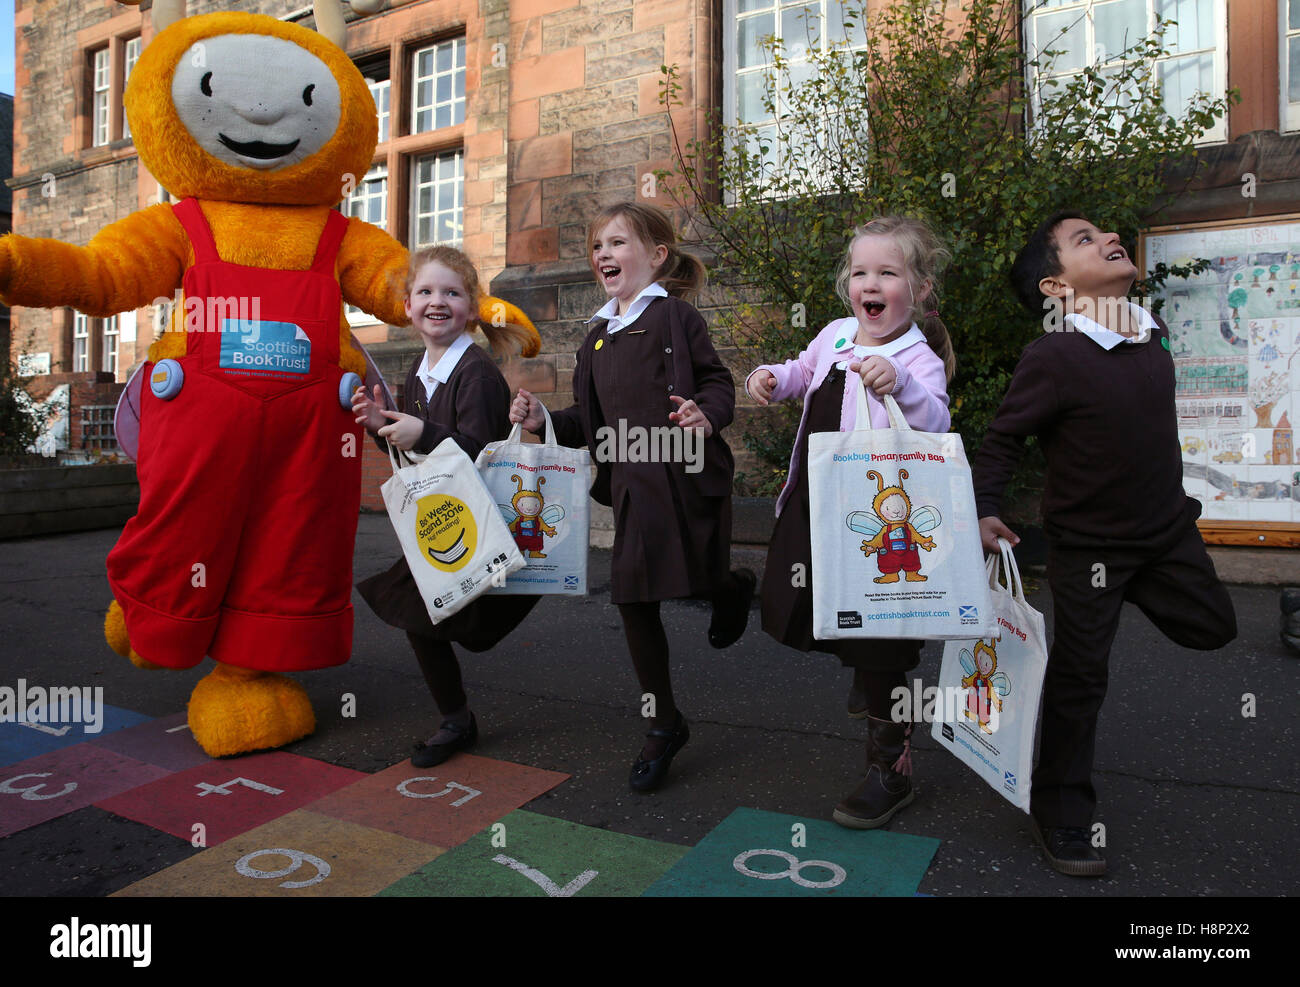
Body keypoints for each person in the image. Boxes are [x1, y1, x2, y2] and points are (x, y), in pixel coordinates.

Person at [974, 211, 1238, 876]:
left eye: (1104, 232)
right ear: (1056, 289)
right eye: (1082, 241)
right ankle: (1059, 808)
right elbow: (1004, 436)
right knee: (1081, 676)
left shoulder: (1154, 335)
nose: (1107, 238)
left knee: (1215, 627)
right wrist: (984, 509)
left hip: (1165, 532)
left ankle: (1143, 583)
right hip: (1089, 547)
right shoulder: (1055, 355)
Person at [510, 202, 755, 792]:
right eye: (598, 247)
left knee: (697, 576)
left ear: (657, 256)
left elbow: (718, 382)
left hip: (686, 474)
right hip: (630, 486)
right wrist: (543, 415)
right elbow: (590, 421)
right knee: (633, 597)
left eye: (617, 244)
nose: (603, 256)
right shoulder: (595, 335)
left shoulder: (676, 319)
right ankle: (664, 722)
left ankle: (732, 587)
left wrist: (706, 412)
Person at [746, 215, 954, 828]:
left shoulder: (915, 355)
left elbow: (936, 422)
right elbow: (803, 373)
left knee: (882, 643)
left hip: (880, 518)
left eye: (888, 272)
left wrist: (903, 386)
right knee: (799, 600)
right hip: (819, 504)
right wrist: (773, 379)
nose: (872, 282)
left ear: (918, 289)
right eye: (861, 271)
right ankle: (864, 675)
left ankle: (890, 769)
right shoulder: (838, 334)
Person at [352, 245, 540, 768]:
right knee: (419, 617)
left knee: (433, 619)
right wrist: (380, 429)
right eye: (426, 292)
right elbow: (414, 450)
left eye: (452, 293)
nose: (438, 302)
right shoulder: (421, 368)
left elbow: (480, 457)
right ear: (408, 306)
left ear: (473, 308)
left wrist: (426, 432)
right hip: (443, 522)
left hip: (476, 523)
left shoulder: (475, 373)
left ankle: (457, 718)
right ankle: (456, 719)